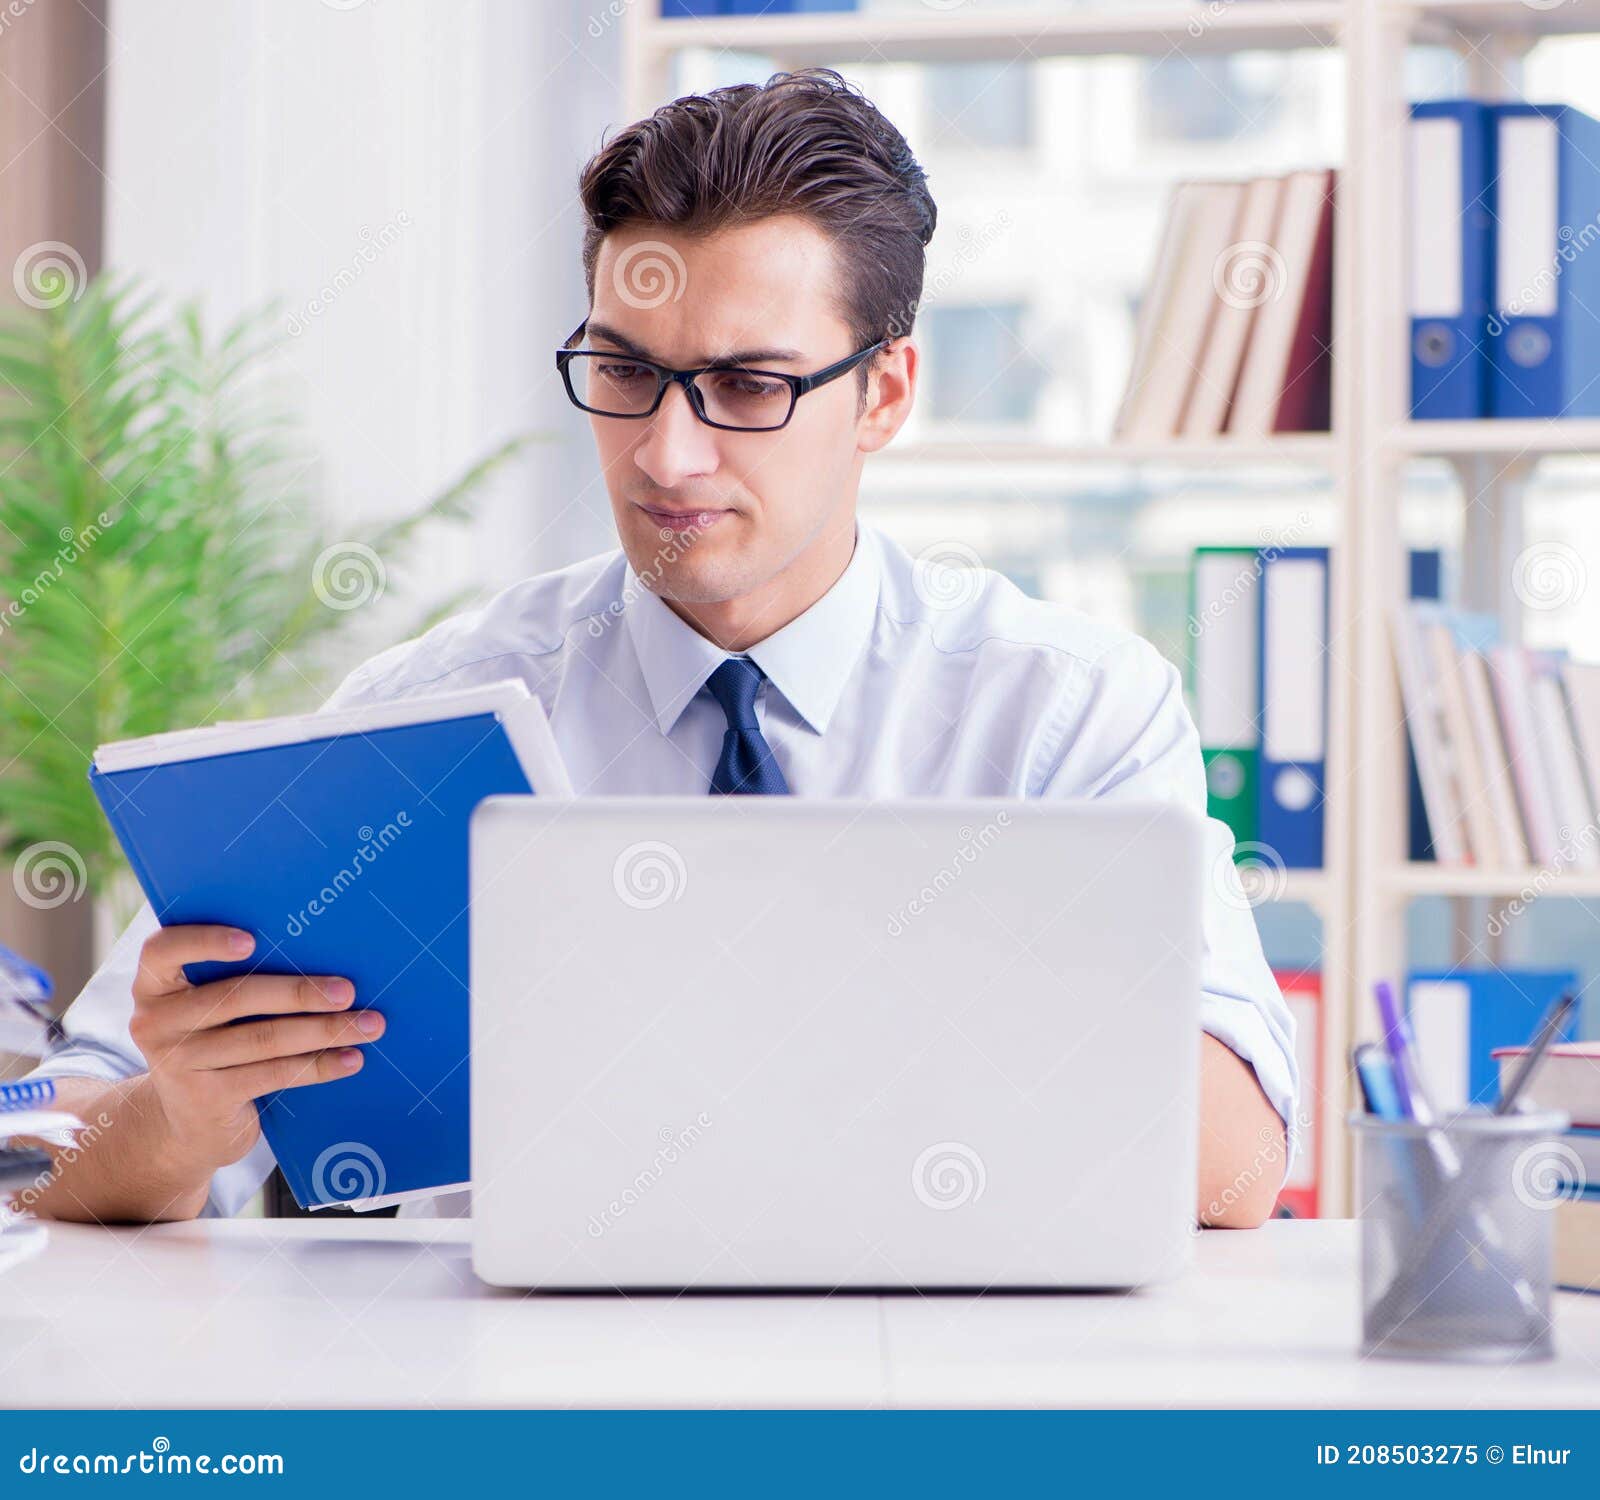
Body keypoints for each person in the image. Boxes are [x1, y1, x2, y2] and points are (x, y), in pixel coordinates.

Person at [24, 69, 1295, 1230]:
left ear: (886, 395)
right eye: (624, 373)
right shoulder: (418, 721)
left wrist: (868, 973)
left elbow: (1237, 1171)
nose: (666, 456)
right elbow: (44, 1152)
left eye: (749, 387)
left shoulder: (1062, 714)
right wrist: (184, 1121)